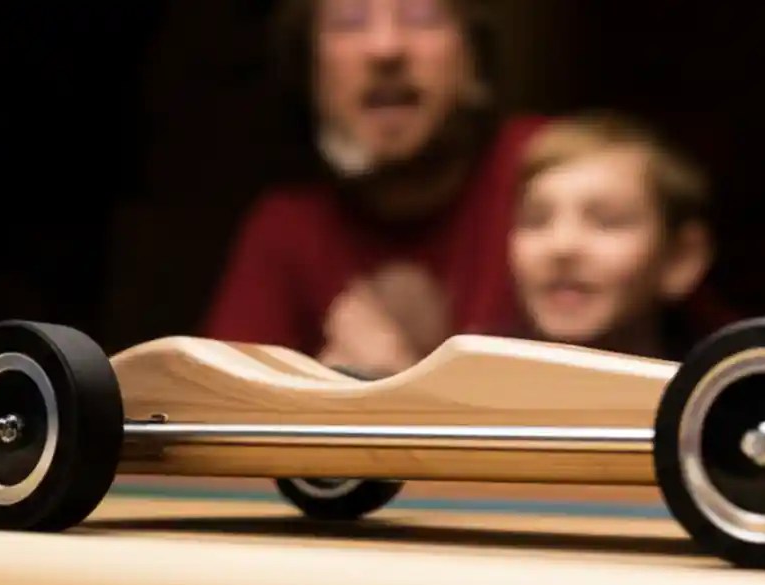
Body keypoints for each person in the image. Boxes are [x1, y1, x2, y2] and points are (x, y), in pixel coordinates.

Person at [203, 0, 545, 376]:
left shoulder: (544, 172)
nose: (386, 48)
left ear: (473, 59)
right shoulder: (287, 226)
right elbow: (228, 406)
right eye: (349, 22)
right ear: (313, 69)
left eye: (422, 17)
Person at [507, 113, 732, 360]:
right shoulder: (466, 379)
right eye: (536, 220)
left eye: (608, 221)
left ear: (680, 258)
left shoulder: (729, 392)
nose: (562, 245)